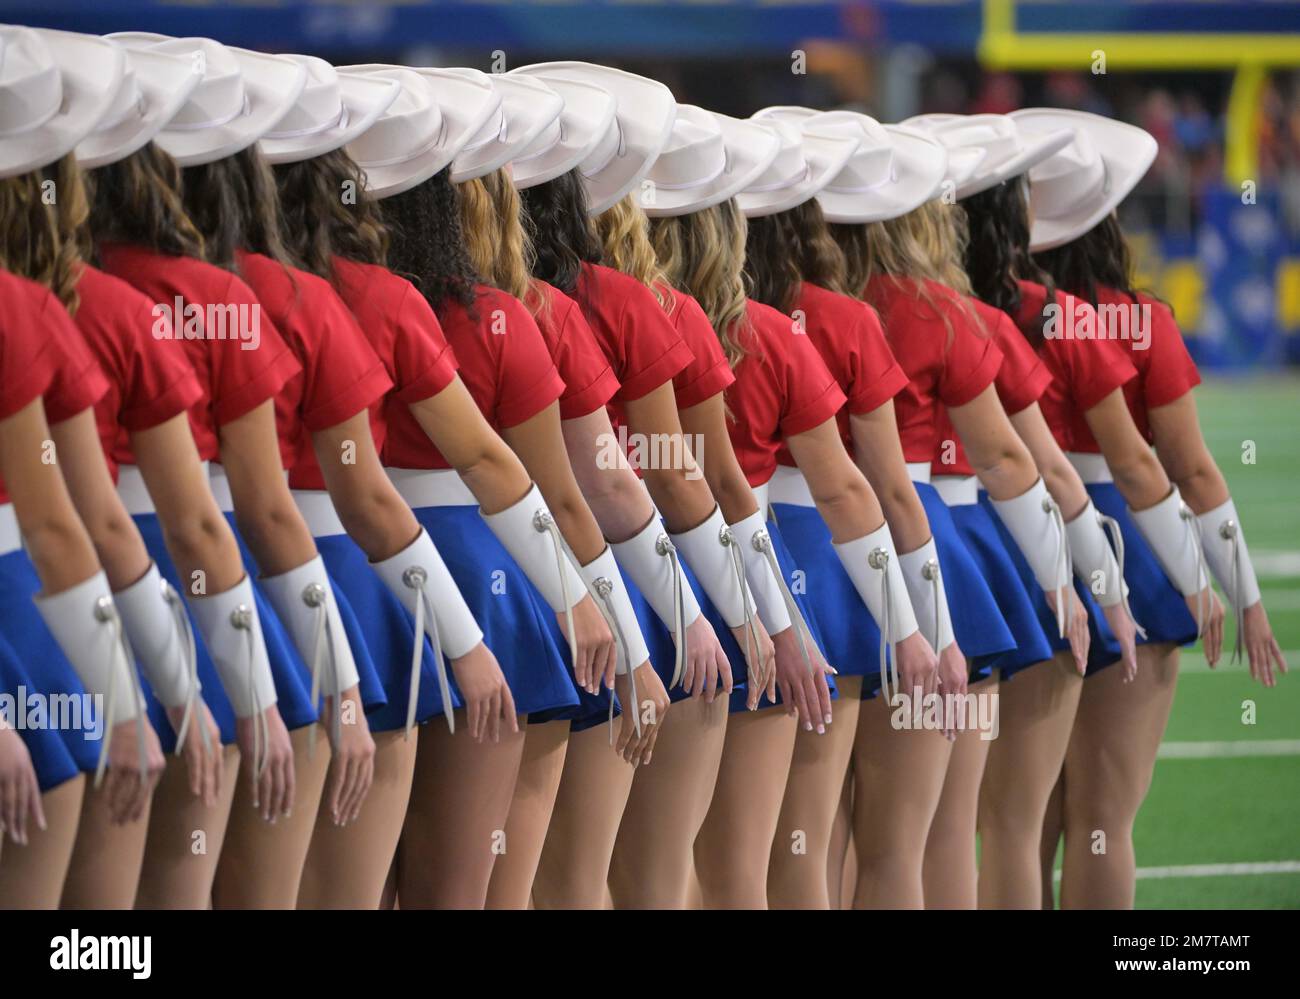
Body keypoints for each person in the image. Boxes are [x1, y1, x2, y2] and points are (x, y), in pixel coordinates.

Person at [517, 62, 773, 908]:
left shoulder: (494, 300)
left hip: (502, 579)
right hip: (635, 583)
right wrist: (742, 612)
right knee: (653, 872)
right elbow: (675, 478)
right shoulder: (630, 306)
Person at [1016, 108, 1285, 906]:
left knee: (1022, 816)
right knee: (1106, 815)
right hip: (1135, 549)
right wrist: (1245, 594)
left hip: (1027, 548)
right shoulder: (1141, 322)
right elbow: (1192, 472)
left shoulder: (1006, 317)